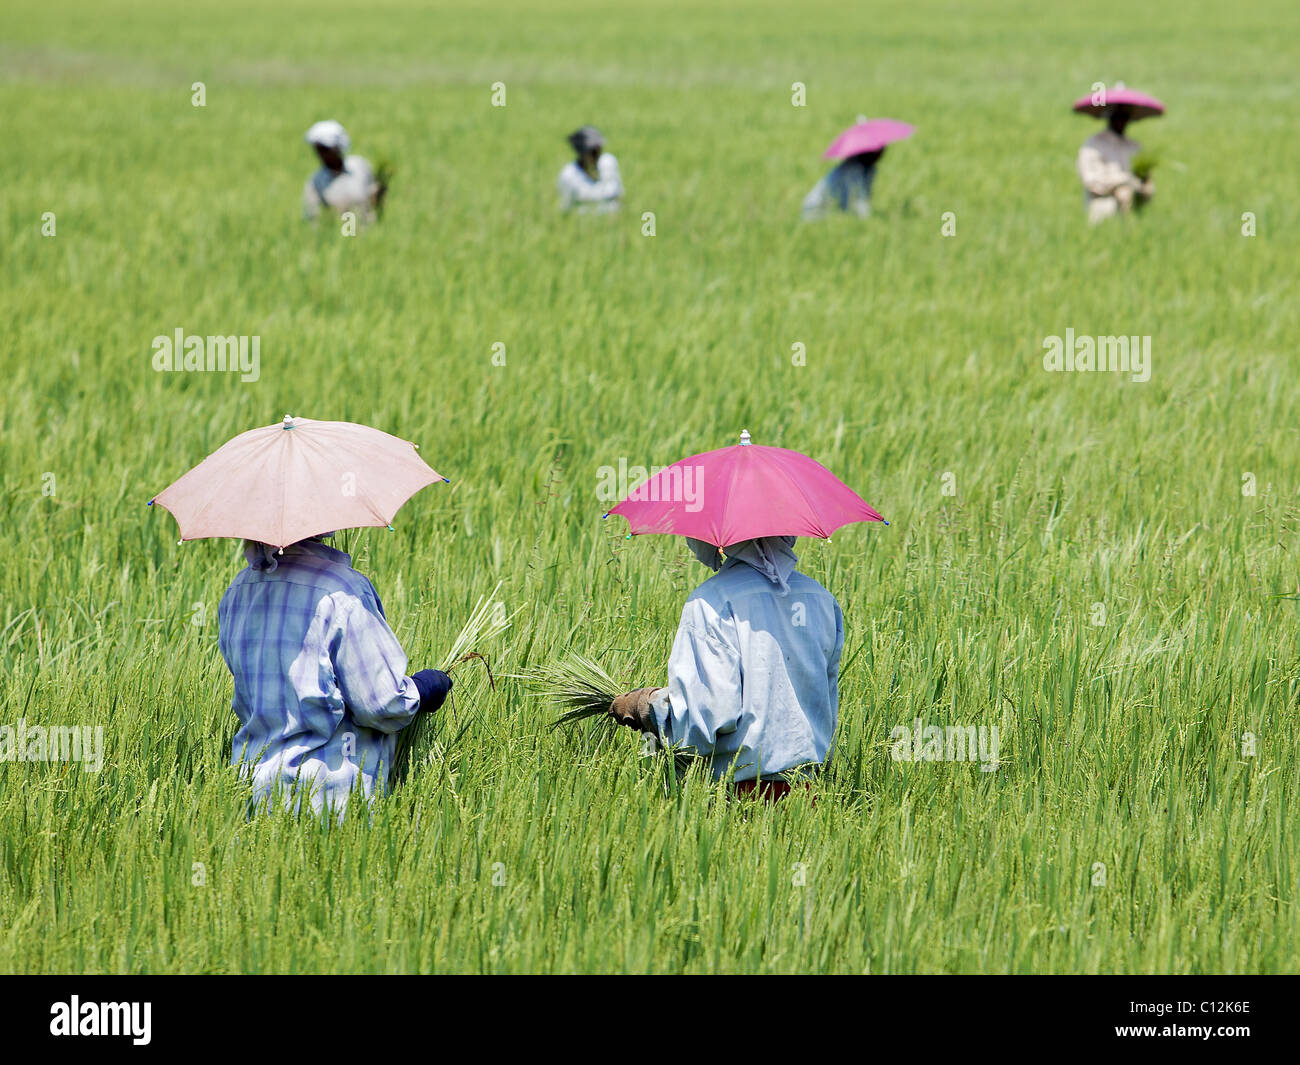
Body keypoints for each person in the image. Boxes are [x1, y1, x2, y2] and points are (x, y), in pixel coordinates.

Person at [217, 534, 451, 819]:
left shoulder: (238, 590)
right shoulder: (343, 591)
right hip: (332, 801)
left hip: (255, 795)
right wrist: (422, 689)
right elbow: (381, 704)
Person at [609, 536, 843, 797]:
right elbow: (827, 701)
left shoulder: (711, 602)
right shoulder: (820, 599)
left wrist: (650, 709)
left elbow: (705, 717)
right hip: (809, 795)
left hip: (738, 797)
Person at [1077, 104, 1154, 224]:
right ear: (1109, 116)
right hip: (1103, 208)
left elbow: (1147, 185)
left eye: (1124, 116)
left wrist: (1143, 184)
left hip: (1133, 211)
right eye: (1117, 115)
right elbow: (1091, 180)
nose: (1121, 120)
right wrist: (1121, 183)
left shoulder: (1134, 147)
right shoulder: (1094, 144)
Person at [301, 120, 387, 224]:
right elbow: (314, 219)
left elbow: (374, 200)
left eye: (325, 149)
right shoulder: (316, 182)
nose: (322, 154)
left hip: (368, 231)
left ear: (337, 147)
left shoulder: (360, 166)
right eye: (318, 150)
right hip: (341, 234)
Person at [557, 125, 623, 213]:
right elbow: (566, 206)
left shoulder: (609, 163)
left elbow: (619, 195)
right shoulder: (569, 174)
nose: (596, 155)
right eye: (592, 152)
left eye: (598, 150)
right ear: (581, 152)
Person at [802, 149, 883, 219]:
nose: (881, 155)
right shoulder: (852, 169)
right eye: (878, 152)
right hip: (816, 211)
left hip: (830, 210)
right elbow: (850, 202)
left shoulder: (868, 168)